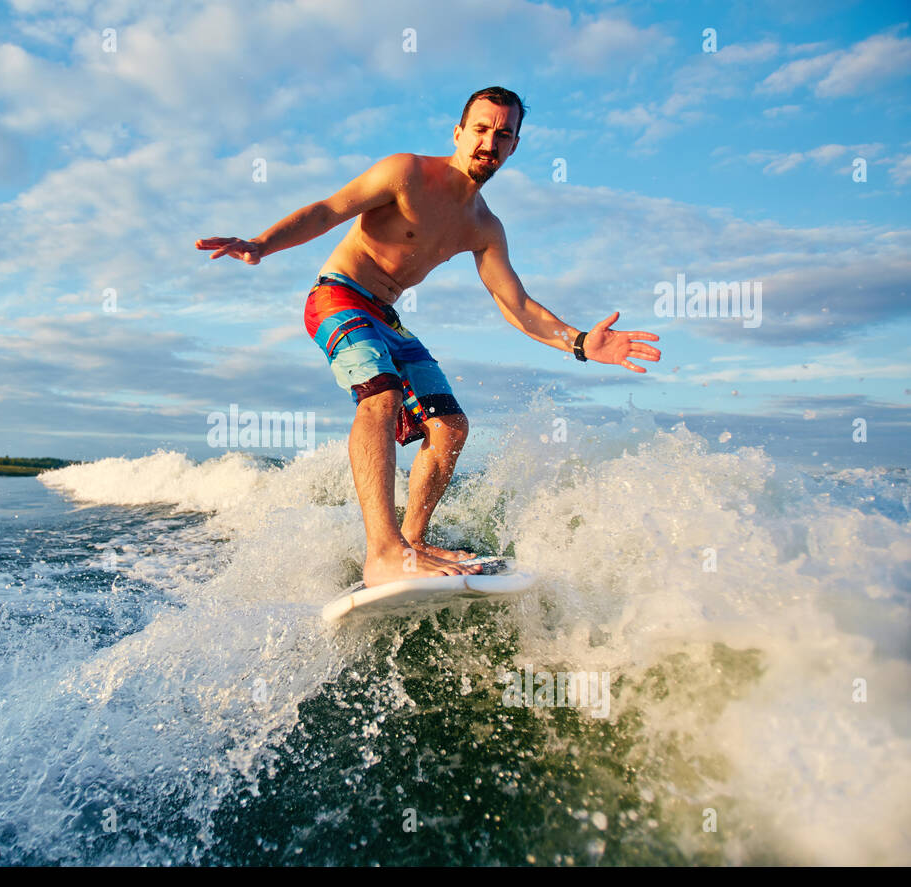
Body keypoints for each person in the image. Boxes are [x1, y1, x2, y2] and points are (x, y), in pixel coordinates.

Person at [196, 87, 661, 587]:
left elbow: (518, 307)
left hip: (388, 317)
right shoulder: (407, 173)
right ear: (459, 133)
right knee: (383, 395)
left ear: (514, 147)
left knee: (451, 426)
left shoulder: (484, 226)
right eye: (481, 129)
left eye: (503, 134)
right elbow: (330, 209)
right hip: (338, 296)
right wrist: (262, 244)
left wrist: (579, 342)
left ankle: (412, 542)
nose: (490, 142)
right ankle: (383, 551)